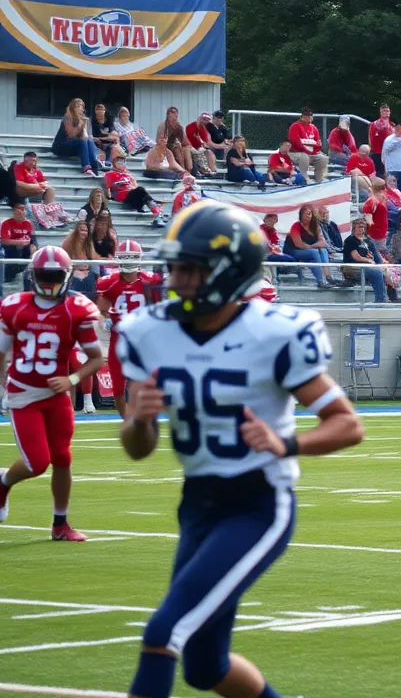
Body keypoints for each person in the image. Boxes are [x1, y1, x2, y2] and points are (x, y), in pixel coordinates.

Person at [116, 200, 364, 698]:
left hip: (257, 504)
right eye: (175, 267)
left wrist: (285, 442)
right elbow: (138, 449)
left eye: (192, 268)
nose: (178, 279)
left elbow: (347, 425)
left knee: (164, 632)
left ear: (231, 272)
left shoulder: (274, 332)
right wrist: (140, 418)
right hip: (198, 504)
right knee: (206, 667)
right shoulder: (148, 332)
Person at [0, 245, 103, 541]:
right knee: (36, 461)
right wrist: (2, 386)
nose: (48, 281)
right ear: (33, 275)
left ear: (67, 275)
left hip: (56, 395)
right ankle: (4, 482)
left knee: (62, 457)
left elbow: (96, 358)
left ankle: (60, 524)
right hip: (23, 393)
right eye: (44, 275)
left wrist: (71, 378)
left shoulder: (77, 308)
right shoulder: (15, 306)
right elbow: (0, 353)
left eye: (54, 275)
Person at [96, 241, 161, 419]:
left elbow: (159, 308)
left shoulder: (151, 280)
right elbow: (101, 309)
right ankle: (127, 420)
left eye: (131, 257)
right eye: (125, 257)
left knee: (142, 382)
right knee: (117, 387)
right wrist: (105, 319)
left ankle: (141, 417)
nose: (128, 260)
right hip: (119, 338)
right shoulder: (108, 282)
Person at [342, 218, 401, 304]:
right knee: (377, 272)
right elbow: (356, 257)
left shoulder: (367, 240)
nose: (362, 229)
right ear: (354, 227)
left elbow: (376, 254)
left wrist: (382, 265)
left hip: (368, 267)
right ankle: (380, 299)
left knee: (389, 270)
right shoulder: (350, 240)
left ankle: (393, 296)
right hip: (353, 267)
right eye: (359, 227)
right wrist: (369, 261)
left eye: (363, 227)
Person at [105, 154, 165, 225]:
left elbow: (135, 186)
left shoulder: (128, 174)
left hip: (132, 195)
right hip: (121, 195)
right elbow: (107, 187)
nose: (121, 164)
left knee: (142, 192)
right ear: (114, 163)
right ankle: (157, 212)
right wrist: (110, 197)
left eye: (122, 162)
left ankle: (156, 213)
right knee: (141, 190)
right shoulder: (110, 174)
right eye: (118, 162)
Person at [53, 98, 104, 176]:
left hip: (75, 145)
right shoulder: (67, 117)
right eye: (77, 106)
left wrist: (90, 137)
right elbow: (71, 135)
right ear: (72, 107)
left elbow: (87, 136)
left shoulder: (84, 119)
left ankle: (95, 166)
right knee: (83, 141)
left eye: (81, 106)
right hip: (61, 145)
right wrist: (82, 127)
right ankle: (86, 166)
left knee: (89, 141)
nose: (80, 108)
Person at [285, 206, 331, 288]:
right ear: (300, 215)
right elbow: (299, 244)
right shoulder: (296, 226)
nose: (307, 216)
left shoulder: (315, 226)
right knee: (314, 252)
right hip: (294, 251)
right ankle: (321, 281)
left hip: (308, 250)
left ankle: (328, 277)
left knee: (323, 250)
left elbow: (324, 243)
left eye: (309, 213)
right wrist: (313, 247)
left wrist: (312, 246)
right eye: (304, 214)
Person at [287, 108, 328, 183]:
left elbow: (318, 144)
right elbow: (296, 143)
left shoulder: (314, 128)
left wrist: (306, 143)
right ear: (302, 117)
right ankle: (304, 178)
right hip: (295, 152)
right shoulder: (295, 126)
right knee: (304, 157)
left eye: (310, 116)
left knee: (323, 158)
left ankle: (319, 179)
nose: (310, 118)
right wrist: (311, 144)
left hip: (311, 152)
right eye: (307, 116)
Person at [2, 199, 36, 282]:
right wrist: (20, 242)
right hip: (11, 249)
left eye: (23, 209)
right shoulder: (6, 223)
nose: (21, 212)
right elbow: (4, 241)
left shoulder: (29, 224)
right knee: (12, 249)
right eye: (18, 209)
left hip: (25, 249)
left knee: (32, 249)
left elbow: (33, 241)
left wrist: (33, 252)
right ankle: (9, 275)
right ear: (14, 211)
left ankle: (27, 275)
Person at [155, 107, 191, 175]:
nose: (175, 114)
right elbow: (160, 140)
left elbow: (184, 140)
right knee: (176, 148)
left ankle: (190, 171)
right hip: (165, 146)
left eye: (176, 112)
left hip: (178, 146)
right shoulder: (163, 125)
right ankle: (182, 171)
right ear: (168, 115)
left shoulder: (179, 126)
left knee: (188, 150)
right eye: (173, 112)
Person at [362, 179, 391, 256]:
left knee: (382, 254)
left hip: (382, 232)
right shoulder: (371, 201)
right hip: (375, 234)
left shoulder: (382, 198)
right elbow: (368, 219)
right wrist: (372, 231)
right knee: (376, 254)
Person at [382, 120, 401, 190]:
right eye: (400, 127)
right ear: (395, 128)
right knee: (392, 191)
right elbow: (387, 151)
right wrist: (399, 138)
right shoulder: (389, 139)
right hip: (392, 170)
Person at [367, 103, 393, 177]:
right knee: (378, 173)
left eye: (388, 111)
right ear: (381, 112)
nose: (387, 112)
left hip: (388, 153)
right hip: (378, 152)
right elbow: (370, 138)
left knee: (387, 173)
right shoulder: (375, 124)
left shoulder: (391, 125)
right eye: (384, 111)